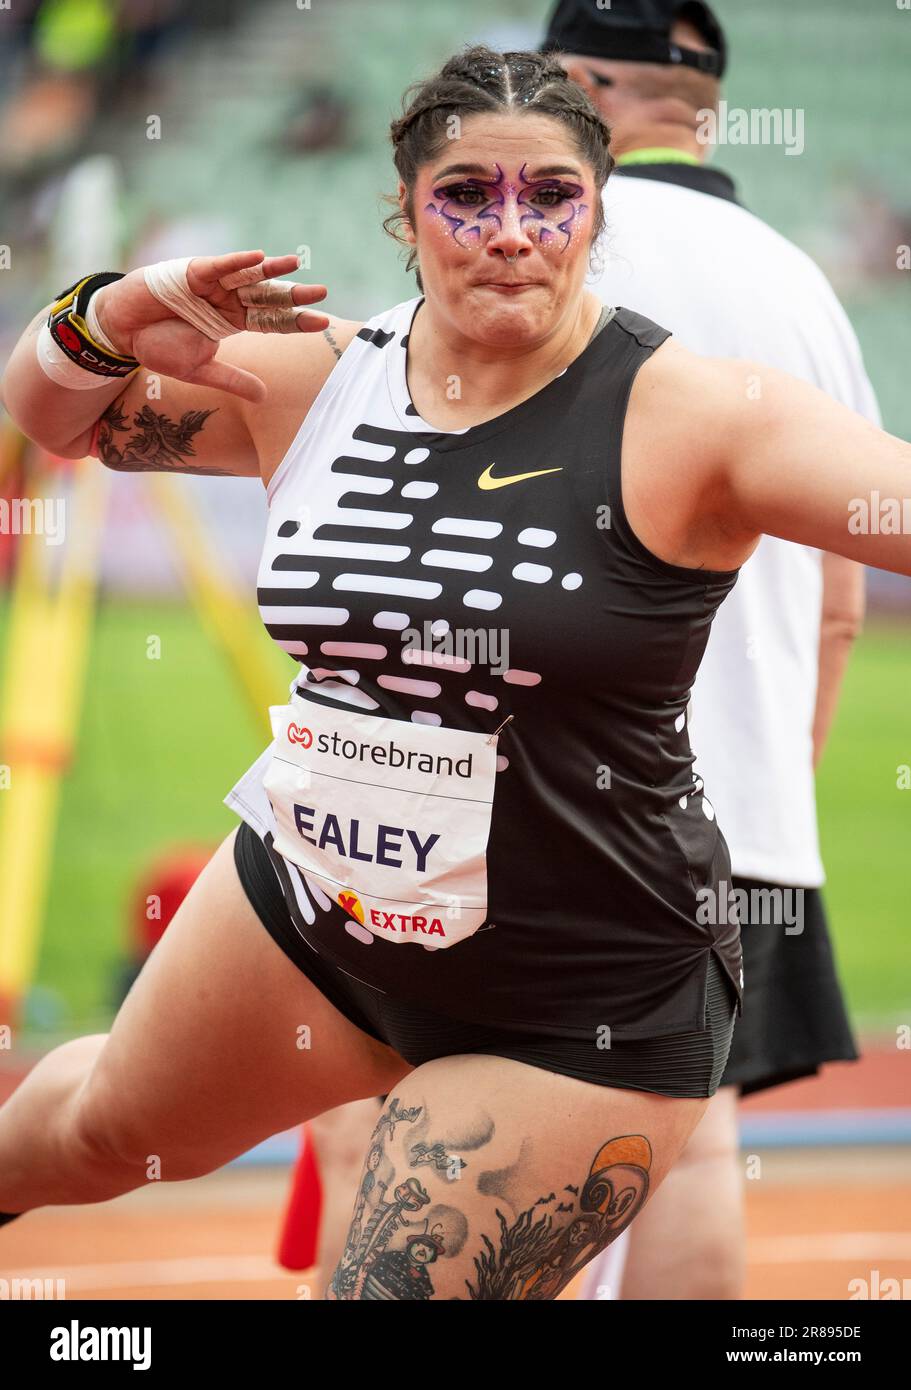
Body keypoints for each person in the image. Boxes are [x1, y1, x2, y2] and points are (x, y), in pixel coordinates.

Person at [0, 45, 908, 1301]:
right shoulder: (311, 378)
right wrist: (105, 313)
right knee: (96, 1128)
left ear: (599, 212)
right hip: (314, 911)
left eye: (550, 199)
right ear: (406, 210)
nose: (510, 232)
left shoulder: (700, 415)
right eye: (465, 195)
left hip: (573, 992)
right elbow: (57, 420)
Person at [539, 0, 879, 1299]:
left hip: (561, 791)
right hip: (739, 814)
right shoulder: (802, 285)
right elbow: (838, 598)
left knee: (506, 1136)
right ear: (710, 108)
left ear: (574, 83)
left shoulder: (536, 242)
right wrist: (761, 794)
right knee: (688, 1129)